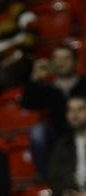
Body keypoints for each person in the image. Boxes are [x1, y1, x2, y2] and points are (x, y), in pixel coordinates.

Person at [22, 45, 86, 176]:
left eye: (66, 58)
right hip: (58, 138)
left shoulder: (84, 84)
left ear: (75, 61)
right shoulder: (47, 88)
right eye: (57, 58)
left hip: (84, 133)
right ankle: (48, 177)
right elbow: (27, 103)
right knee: (38, 131)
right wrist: (35, 79)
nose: (61, 62)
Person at [25, 95, 86, 196]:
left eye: (80, 109)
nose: (74, 115)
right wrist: (64, 193)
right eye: (70, 110)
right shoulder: (63, 144)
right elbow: (54, 177)